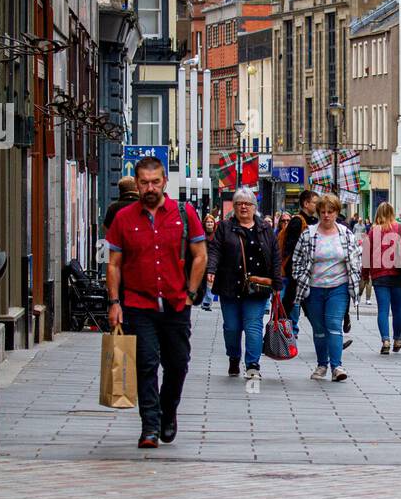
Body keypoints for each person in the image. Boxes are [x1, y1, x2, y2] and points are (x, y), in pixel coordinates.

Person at [106, 156, 207, 449]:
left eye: (155, 182)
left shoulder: (184, 213)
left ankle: (168, 411)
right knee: (147, 364)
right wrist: (115, 301)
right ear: (136, 184)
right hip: (139, 304)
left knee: (178, 365)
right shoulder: (124, 218)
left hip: (176, 303)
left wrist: (190, 292)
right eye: (144, 182)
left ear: (164, 181)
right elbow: (114, 263)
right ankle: (149, 426)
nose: (150, 188)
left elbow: (200, 254)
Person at [207, 188, 279, 380]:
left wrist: (277, 282)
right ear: (234, 207)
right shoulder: (225, 227)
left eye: (247, 204)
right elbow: (214, 250)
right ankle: (233, 357)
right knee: (231, 327)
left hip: (257, 286)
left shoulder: (265, 229)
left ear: (254, 207)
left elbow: (275, 255)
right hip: (229, 284)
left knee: (253, 326)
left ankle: (252, 365)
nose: (243, 207)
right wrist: (211, 270)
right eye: (239, 203)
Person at [292, 194, 362, 381]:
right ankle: (322, 364)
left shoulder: (346, 234)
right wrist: (300, 279)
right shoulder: (309, 234)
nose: (326, 215)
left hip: (338, 287)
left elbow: (356, 258)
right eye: (322, 212)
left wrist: (354, 279)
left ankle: (337, 366)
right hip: (313, 288)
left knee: (333, 325)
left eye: (330, 212)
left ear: (337, 212)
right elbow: (296, 260)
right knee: (319, 328)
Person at [362, 202, 401, 354]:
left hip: (379, 275)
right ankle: (397, 339)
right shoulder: (400, 228)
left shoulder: (373, 231)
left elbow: (366, 254)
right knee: (397, 309)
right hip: (398, 274)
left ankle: (385, 340)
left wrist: (365, 274)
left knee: (383, 310)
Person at [280, 190, 319, 338]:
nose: (317, 205)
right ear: (306, 203)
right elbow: (290, 249)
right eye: (314, 202)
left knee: (302, 307)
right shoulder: (297, 221)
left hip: (304, 273)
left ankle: (328, 338)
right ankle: (272, 338)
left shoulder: (313, 221)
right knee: (288, 306)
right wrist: (293, 272)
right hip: (295, 274)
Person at [200, 213, 218, 311]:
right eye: (208, 222)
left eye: (211, 222)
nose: (210, 224)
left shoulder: (217, 234)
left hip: (212, 262)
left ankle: (207, 302)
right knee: (202, 283)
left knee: (210, 282)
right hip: (202, 261)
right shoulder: (201, 233)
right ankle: (203, 300)